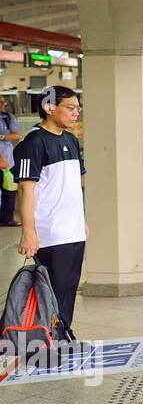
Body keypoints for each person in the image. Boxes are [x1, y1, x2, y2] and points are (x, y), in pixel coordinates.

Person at [14, 86, 86, 340]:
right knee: (51, 290)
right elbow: (24, 190)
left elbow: (75, 185)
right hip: (51, 232)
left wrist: (82, 220)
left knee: (68, 288)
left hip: (74, 229)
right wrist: (28, 232)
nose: (75, 113)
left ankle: (61, 332)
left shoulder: (71, 140)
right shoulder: (32, 143)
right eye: (70, 107)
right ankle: (45, 338)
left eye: (77, 108)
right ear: (49, 107)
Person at [0, 96, 23, 226]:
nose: (3, 104)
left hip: (8, 160)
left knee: (9, 190)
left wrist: (3, 136)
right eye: (0, 102)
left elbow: (16, 135)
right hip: (1, 159)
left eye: (4, 102)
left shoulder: (8, 117)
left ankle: (7, 218)